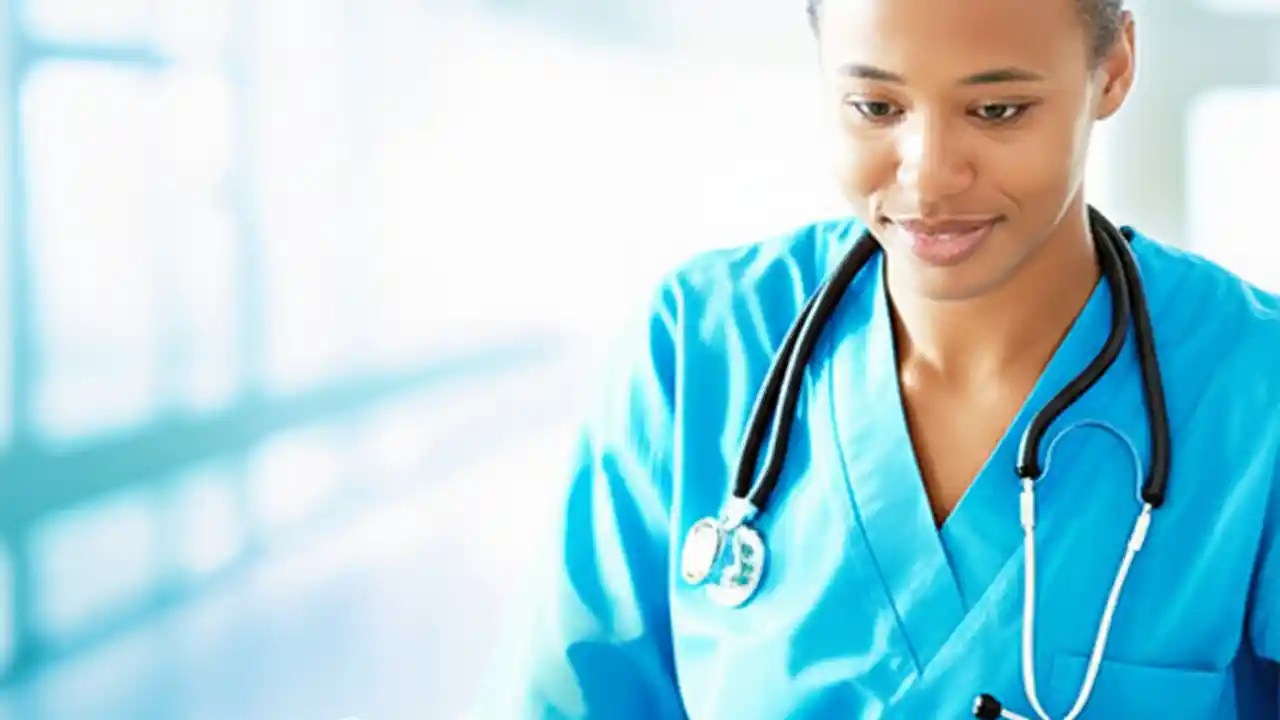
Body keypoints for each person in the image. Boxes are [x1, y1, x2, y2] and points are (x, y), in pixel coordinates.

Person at [493, 0, 1280, 716]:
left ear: (1112, 70)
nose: (928, 175)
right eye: (876, 107)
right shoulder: (700, 345)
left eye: (997, 110)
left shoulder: (1253, 383)